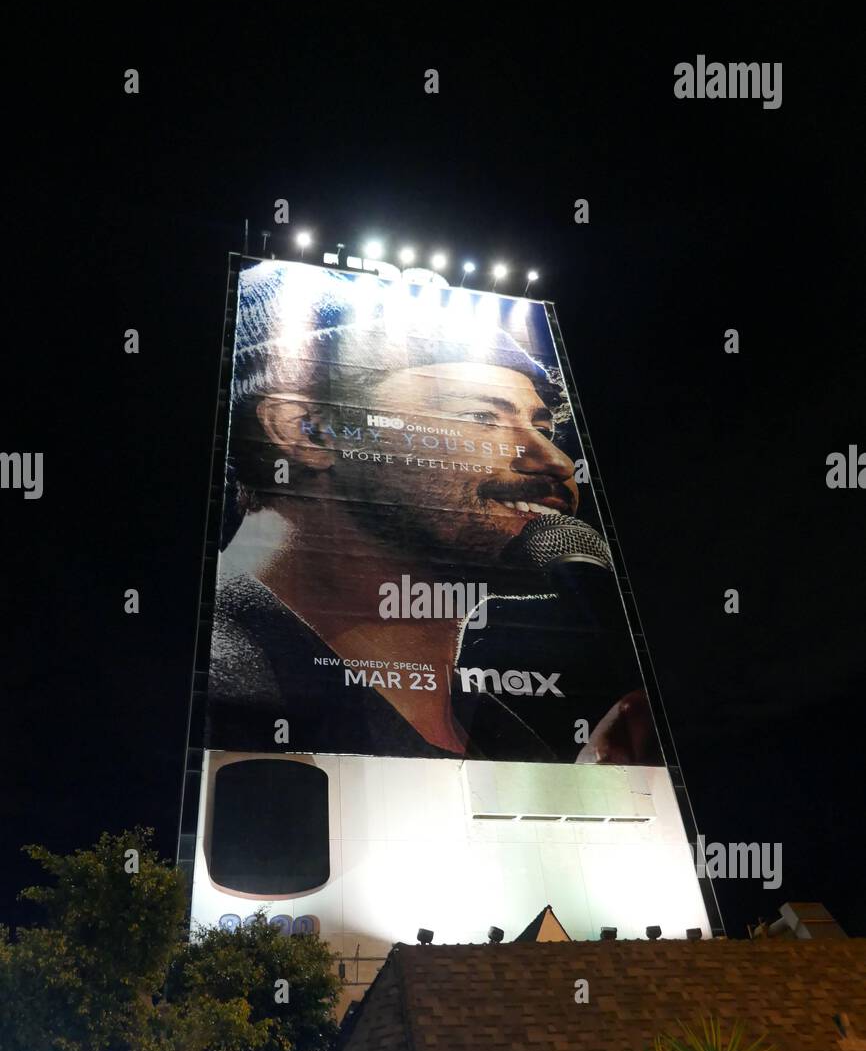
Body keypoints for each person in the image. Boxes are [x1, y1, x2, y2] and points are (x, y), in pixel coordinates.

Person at [207, 262, 660, 764]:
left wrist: (582, 799)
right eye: (479, 417)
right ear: (307, 432)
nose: (553, 461)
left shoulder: (502, 737)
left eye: (543, 427)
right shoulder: (224, 695)